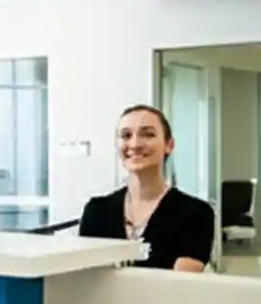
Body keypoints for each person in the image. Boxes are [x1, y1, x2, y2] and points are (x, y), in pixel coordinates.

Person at [78, 104, 214, 272]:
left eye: (148, 134)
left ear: (169, 145)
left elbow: (180, 287)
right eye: (126, 135)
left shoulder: (196, 213)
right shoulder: (96, 211)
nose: (134, 144)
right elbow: (86, 278)